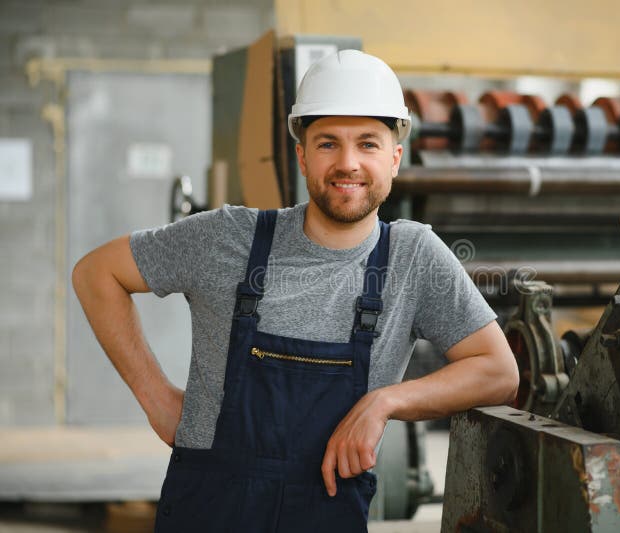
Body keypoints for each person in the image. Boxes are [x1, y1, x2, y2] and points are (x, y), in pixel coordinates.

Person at [72, 49, 518, 532]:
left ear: (395, 156)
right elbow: (96, 274)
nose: (348, 163)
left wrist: (385, 402)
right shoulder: (227, 237)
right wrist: (156, 398)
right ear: (302, 155)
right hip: (209, 510)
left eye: (367, 143)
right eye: (328, 143)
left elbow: (498, 371)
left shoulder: (414, 257)